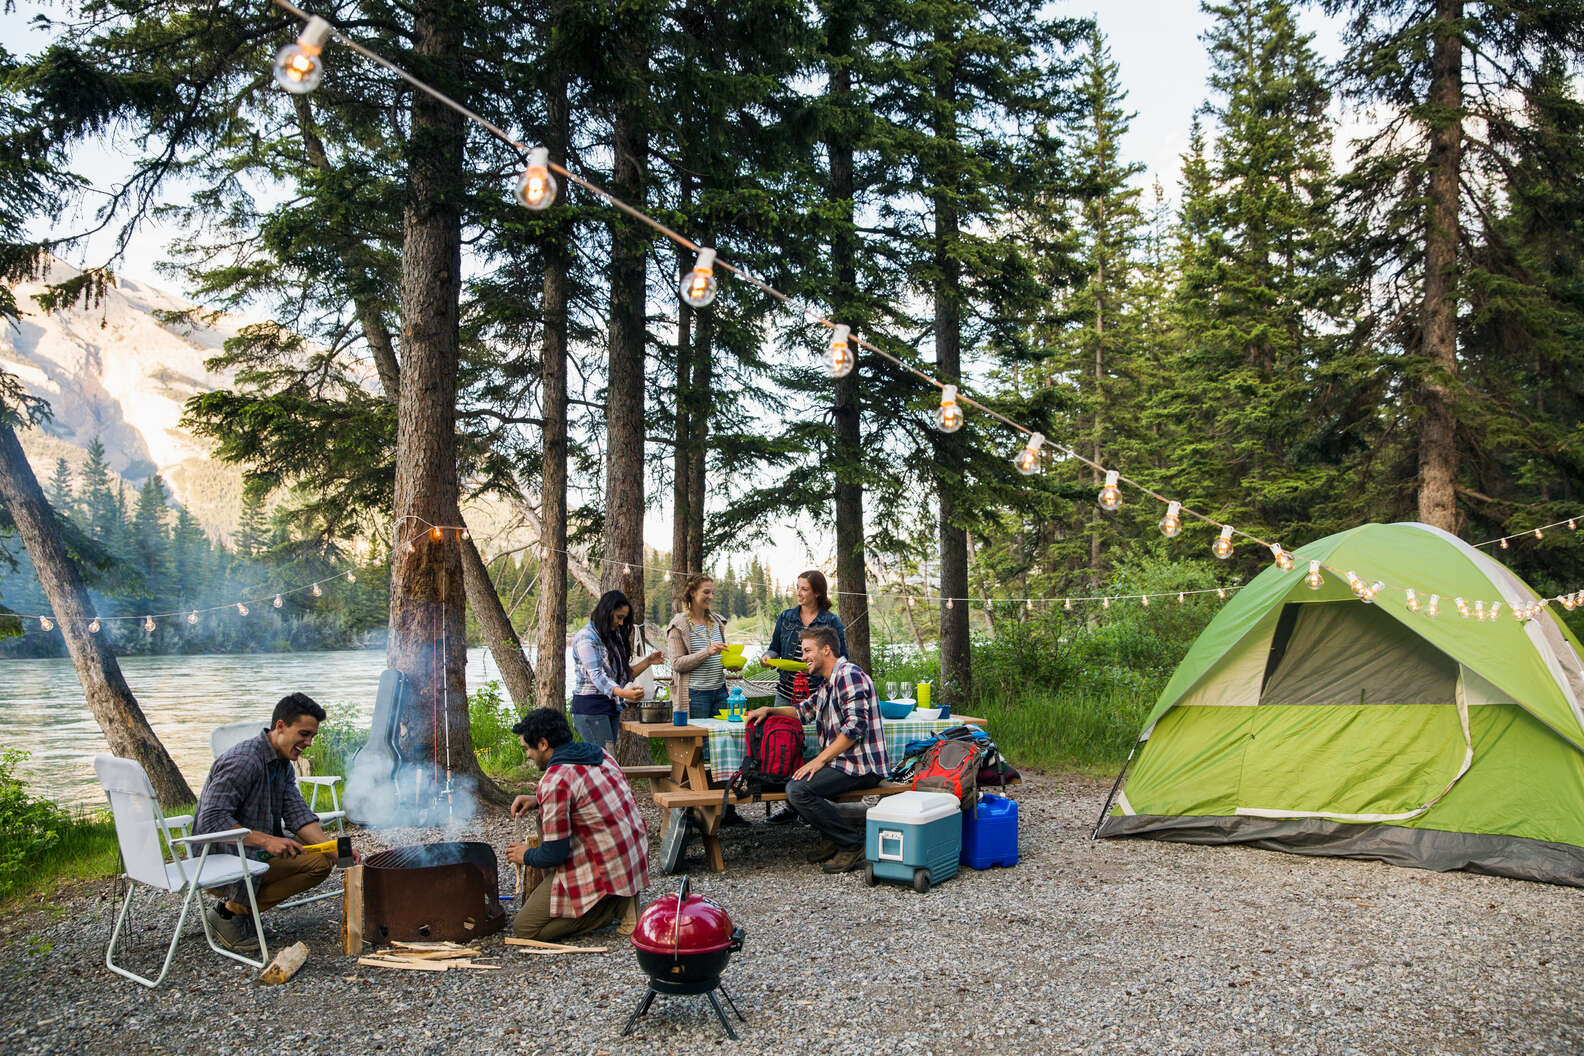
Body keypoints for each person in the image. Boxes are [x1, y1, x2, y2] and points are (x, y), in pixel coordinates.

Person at [193, 692, 338, 952]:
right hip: (221, 856)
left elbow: (296, 813)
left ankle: (236, 911)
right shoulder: (244, 761)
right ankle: (229, 913)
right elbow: (211, 821)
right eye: (304, 734)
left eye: (312, 736)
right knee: (315, 865)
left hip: (252, 851)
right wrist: (268, 841)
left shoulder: (282, 762)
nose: (309, 742)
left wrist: (332, 847)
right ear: (280, 726)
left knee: (322, 860)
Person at [743, 624, 887, 874]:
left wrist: (818, 760)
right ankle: (832, 837)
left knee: (797, 790)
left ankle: (852, 845)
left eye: (808, 650)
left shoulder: (849, 675)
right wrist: (770, 710)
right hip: (843, 762)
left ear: (827, 650)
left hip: (862, 765)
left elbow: (856, 728)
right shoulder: (829, 682)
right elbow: (802, 711)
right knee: (788, 779)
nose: (803, 657)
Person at [505, 707, 648, 941]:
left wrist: (525, 855)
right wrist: (537, 800)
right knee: (545, 820)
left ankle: (609, 908)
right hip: (631, 857)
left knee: (525, 928)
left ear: (542, 744)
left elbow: (553, 854)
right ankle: (619, 897)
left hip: (607, 868)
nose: (527, 755)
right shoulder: (597, 753)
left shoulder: (555, 780)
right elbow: (583, 797)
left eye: (527, 749)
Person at [571, 589, 663, 750]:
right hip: (590, 708)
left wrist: (648, 661)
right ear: (607, 612)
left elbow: (623, 676)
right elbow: (597, 676)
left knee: (606, 761)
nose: (621, 623)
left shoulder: (612, 636)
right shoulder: (586, 637)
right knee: (605, 761)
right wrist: (623, 693)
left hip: (609, 706)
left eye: (624, 619)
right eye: (619, 617)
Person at [758, 569, 847, 705]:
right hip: (785, 694)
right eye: (797, 587)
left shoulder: (832, 621)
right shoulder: (786, 617)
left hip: (820, 694)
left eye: (804, 589)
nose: (798, 593)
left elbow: (842, 659)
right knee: (779, 726)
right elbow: (774, 648)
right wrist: (768, 657)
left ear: (817, 593)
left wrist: (816, 667)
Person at [666, 574, 731, 721]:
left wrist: (729, 664)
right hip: (695, 695)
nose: (711, 596)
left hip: (720, 692)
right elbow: (677, 664)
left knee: (720, 741)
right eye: (706, 592)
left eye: (712, 592)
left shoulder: (717, 621)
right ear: (692, 592)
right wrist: (707, 652)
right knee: (700, 742)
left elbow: (718, 657)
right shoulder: (679, 624)